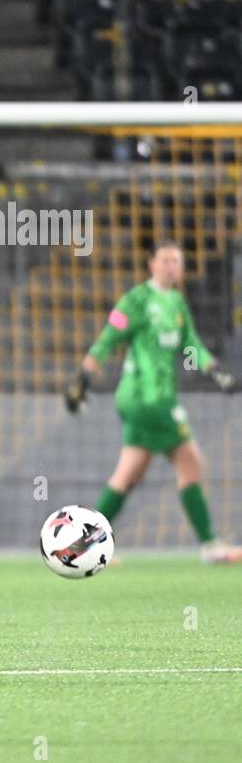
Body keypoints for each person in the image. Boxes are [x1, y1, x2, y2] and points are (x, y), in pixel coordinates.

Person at [65, 239, 239, 562]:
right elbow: (108, 338)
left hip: (153, 399)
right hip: (147, 398)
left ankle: (85, 545)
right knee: (191, 462)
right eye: (166, 260)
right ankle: (211, 545)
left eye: (178, 261)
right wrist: (82, 380)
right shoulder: (137, 300)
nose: (172, 266)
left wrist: (215, 371)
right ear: (151, 264)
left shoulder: (176, 302)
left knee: (128, 474)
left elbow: (190, 346)